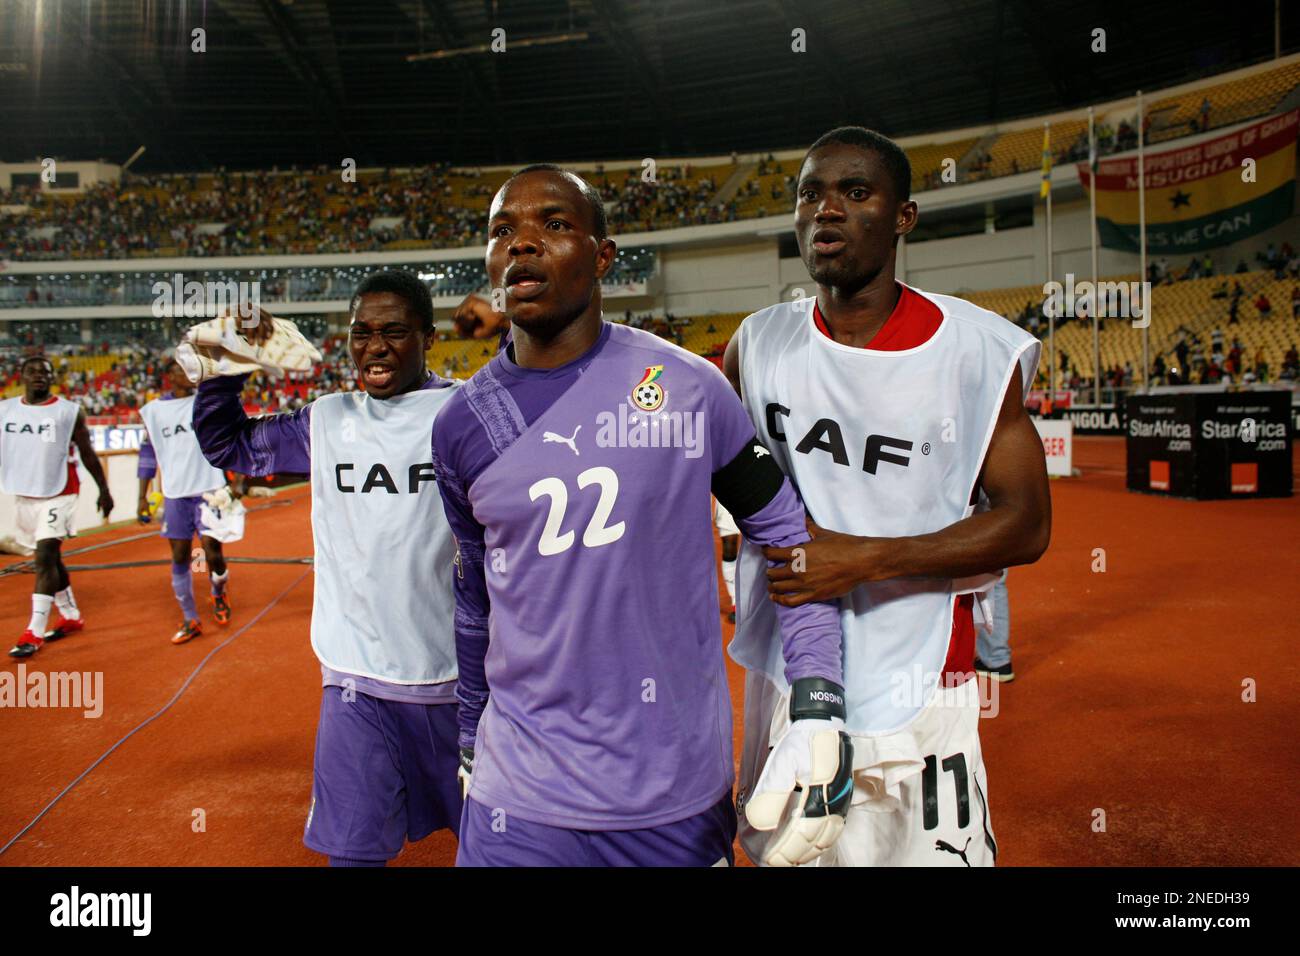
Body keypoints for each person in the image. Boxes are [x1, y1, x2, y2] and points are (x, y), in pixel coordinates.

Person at [433, 165, 849, 867]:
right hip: (519, 801)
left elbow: (785, 533)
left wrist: (818, 703)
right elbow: (474, 595)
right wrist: (471, 735)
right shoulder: (461, 424)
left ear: (603, 257)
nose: (522, 245)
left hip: (673, 799)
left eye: (554, 225)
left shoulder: (689, 387)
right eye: (503, 231)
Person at [725, 127, 1051, 867]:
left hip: (924, 664)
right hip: (792, 662)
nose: (826, 211)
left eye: (855, 192)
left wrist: (861, 559)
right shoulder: (757, 342)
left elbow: (1026, 524)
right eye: (810, 193)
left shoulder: (974, 350)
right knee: (795, 857)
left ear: (904, 216)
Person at [192, 270, 464, 867]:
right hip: (355, 683)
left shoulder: (463, 412)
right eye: (361, 332)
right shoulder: (325, 421)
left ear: (429, 336)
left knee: (500, 850)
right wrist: (231, 362)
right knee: (353, 855)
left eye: (394, 331)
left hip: (464, 684)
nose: (375, 346)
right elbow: (228, 446)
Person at [2, 355, 114, 658]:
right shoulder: (5, 409)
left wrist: (104, 490)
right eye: (33, 371)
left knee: (45, 555)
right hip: (25, 494)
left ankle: (34, 631)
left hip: (62, 490)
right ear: (21, 375)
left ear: (53, 377)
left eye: (45, 372)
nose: (39, 375)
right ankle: (70, 614)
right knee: (51, 558)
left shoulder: (68, 412)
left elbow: (88, 453)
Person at [137, 358, 243, 645]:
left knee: (212, 552)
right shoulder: (154, 412)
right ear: (168, 376)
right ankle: (189, 617)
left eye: (191, 370)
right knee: (181, 556)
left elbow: (235, 437)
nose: (188, 374)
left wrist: (237, 480)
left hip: (210, 490)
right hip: (175, 495)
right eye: (180, 370)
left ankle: (219, 593)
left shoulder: (208, 403)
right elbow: (147, 453)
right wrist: (142, 498)